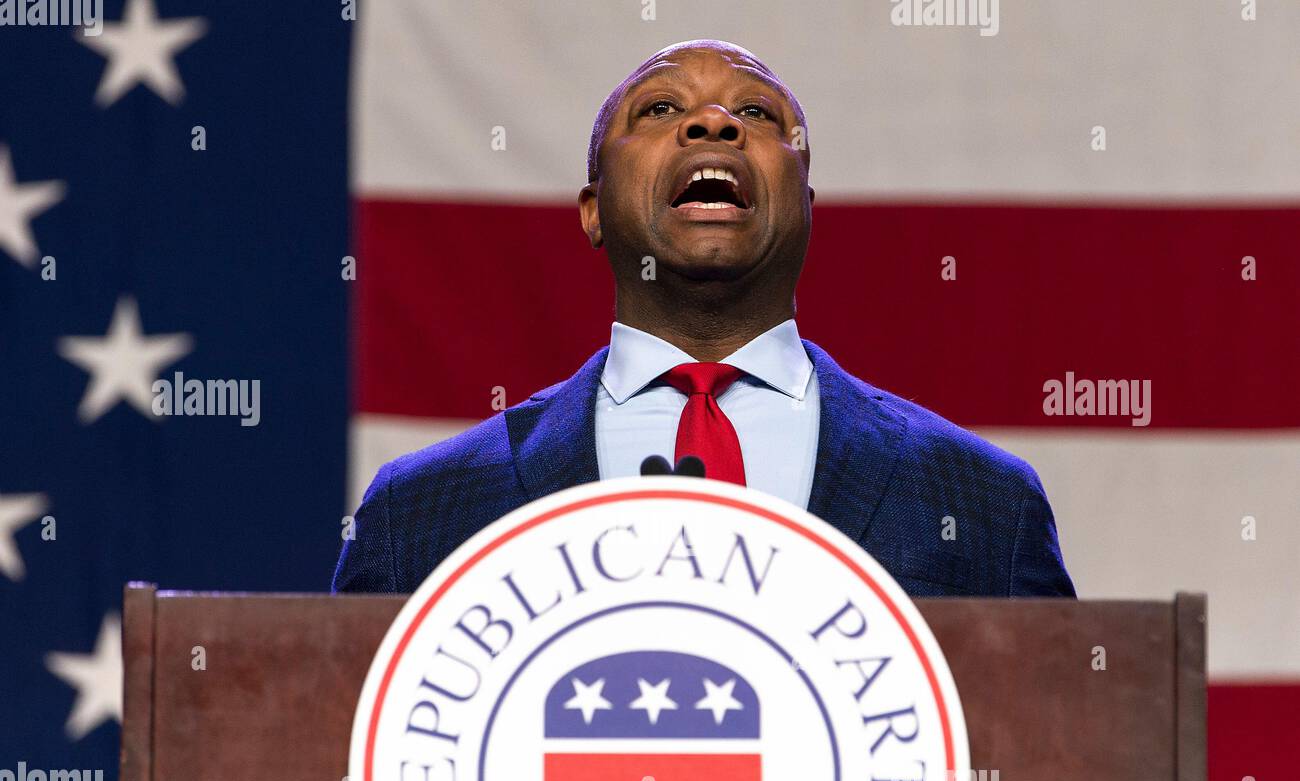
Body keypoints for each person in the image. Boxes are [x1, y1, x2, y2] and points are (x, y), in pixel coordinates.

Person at [333, 39, 1074, 599]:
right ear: (592, 211)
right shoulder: (421, 512)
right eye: (660, 110)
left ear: (806, 208)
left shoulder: (982, 501)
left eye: (755, 113)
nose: (713, 125)